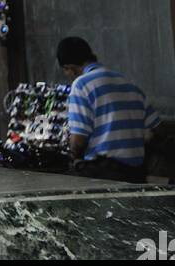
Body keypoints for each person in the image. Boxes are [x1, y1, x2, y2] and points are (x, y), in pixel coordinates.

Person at [57, 36, 160, 182]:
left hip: (104, 173)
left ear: (70, 68)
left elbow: (78, 140)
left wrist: (74, 156)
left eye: (65, 71)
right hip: (136, 173)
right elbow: (155, 127)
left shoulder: (81, 85)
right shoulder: (127, 83)